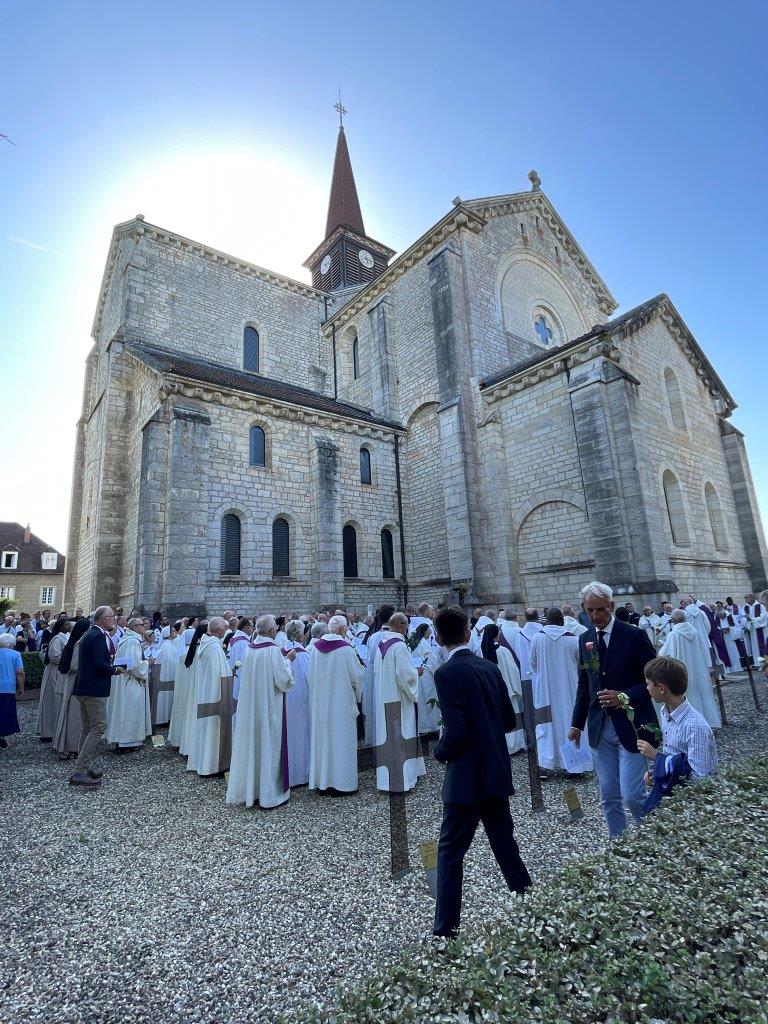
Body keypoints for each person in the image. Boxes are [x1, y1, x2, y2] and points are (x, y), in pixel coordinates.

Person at [431, 606, 531, 937]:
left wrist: (439, 751)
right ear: (466, 633)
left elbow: (456, 733)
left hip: (465, 779)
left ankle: (446, 931)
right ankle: (530, 904)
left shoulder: (445, 674)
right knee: (504, 843)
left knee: (449, 854)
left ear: (439, 638)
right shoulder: (489, 667)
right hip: (495, 771)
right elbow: (507, 720)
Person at [568, 581, 658, 838]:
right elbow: (584, 685)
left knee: (632, 794)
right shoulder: (585, 639)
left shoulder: (634, 635)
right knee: (608, 795)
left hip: (631, 725)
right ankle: (619, 844)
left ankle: (653, 839)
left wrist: (624, 697)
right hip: (599, 726)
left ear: (611, 606)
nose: (595, 616)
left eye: (600, 610)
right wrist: (576, 723)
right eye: (590, 610)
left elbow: (653, 681)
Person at [226, 614, 294, 809]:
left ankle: (253, 790)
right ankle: (269, 794)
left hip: (252, 707)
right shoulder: (273, 650)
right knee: (269, 746)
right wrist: (288, 661)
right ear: (272, 631)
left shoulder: (250, 647)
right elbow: (283, 681)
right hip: (269, 707)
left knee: (254, 746)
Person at [637, 656, 718, 811]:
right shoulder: (665, 712)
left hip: (694, 807)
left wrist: (656, 756)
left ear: (661, 688)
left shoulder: (695, 726)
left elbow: (701, 779)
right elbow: (674, 756)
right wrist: (659, 773)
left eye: (648, 684)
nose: (646, 688)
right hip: (674, 800)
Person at [307, 614, 365, 794]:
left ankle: (322, 782)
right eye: (346, 628)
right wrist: (357, 697)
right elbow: (358, 677)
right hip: (341, 704)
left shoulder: (315, 649)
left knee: (323, 740)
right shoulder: (346, 649)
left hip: (320, 704)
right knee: (341, 742)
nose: (347, 630)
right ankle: (342, 784)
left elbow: (310, 676)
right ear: (341, 629)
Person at [70, 606, 126, 787]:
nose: (114, 619)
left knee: (87, 728)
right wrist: (114, 670)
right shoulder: (97, 636)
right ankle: (79, 772)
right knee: (98, 727)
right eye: (111, 617)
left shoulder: (89, 634)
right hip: (94, 689)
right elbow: (99, 663)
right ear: (103, 620)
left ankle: (82, 767)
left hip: (84, 687)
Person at [372, 612, 425, 793]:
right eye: (406, 626)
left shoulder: (381, 644)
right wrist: (417, 672)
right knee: (401, 734)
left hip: (384, 698)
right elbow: (404, 676)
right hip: (399, 699)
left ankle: (387, 780)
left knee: (388, 737)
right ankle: (402, 780)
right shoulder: (399, 646)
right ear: (402, 626)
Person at [529, 608, 588, 772]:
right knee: (570, 723)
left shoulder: (537, 638)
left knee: (545, 726)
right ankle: (573, 766)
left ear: (546, 620)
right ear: (562, 620)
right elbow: (579, 665)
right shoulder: (574, 640)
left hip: (545, 691)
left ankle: (546, 765)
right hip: (568, 690)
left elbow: (533, 663)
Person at [659, 610, 721, 729]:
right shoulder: (695, 632)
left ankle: (689, 726)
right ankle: (705, 722)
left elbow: (665, 654)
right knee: (700, 694)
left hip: (682, 673)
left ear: (673, 620)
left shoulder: (673, 635)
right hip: (698, 670)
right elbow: (703, 650)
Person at [192, 616, 235, 776]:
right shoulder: (215, 649)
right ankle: (213, 766)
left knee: (208, 730)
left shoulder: (206, 645)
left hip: (207, 694)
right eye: (225, 627)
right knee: (214, 730)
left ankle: (207, 763)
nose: (226, 630)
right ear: (219, 631)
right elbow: (219, 676)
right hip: (217, 696)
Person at [106, 617, 151, 750]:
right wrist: (148, 662)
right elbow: (134, 665)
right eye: (142, 624)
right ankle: (128, 742)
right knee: (130, 710)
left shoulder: (128, 639)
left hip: (126, 680)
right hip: (131, 681)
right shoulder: (132, 642)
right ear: (135, 627)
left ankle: (124, 740)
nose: (145, 626)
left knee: (125, 709)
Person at [480, 624, 525, 754]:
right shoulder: (503, 651)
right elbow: (513, 671)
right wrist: (517, 688)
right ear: (496, 635)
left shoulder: (481, 651)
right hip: (507, 690)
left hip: (490, 691)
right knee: (511, 717)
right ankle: (513, 746)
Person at [52, 617, 91, 759]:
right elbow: (74, 665)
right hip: (75, 680)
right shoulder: (79, 643)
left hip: (73, 681)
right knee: (73, 714)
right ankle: (70, 746)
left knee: (72, 713)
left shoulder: (74, 641)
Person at [362, 603, 395, 744]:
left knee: (376, 707)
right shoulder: (394, 636)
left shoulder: (373, 637)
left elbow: (369, 659)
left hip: (374, 676)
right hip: (389, 678)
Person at [283, 619, 311, 787]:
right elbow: (311, 678)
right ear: (301, 635)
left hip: (284, 700)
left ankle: (288, 773)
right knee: (302, 737)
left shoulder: (279, 651)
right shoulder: (305, 655)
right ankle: (301, 775)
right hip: (302, 701)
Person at [35, 618, 72, 741]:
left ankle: (57, 730)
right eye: (66, 624)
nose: (69, 626)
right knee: (52, 702)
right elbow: (55, 657)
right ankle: (48, 731)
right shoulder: (56, 639)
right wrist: (72, 659)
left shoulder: (65, 637)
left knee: (58, 702)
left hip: (61, 671)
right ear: (61, 627)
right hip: (54, 672)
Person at [411, 622, 444, 735]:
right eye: (429, 630)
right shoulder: (424, 644)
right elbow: (432, 661)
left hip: (417, 675)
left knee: (421, 701)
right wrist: (437, 673)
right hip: (426, 676)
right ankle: (430, 726)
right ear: (425, 632)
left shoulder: (414, 643)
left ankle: (422, 726)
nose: (431, 632)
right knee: (429, 699)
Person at [0, 633, 24, 747]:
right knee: (5, 712)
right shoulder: (15, 654)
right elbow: (19, 673)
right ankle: (2, 736)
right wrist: (21, 687)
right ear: (11, 644)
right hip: (8, 687)